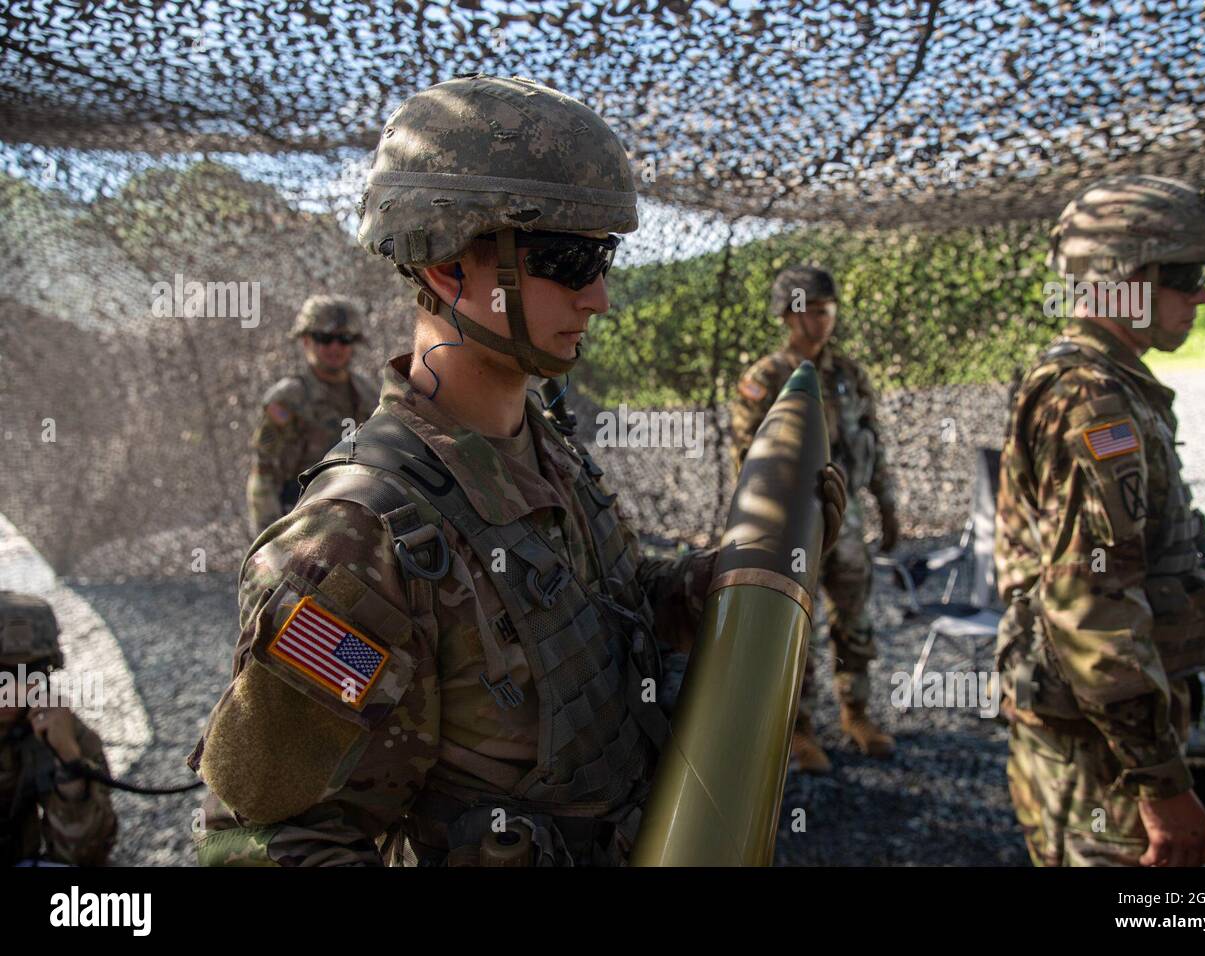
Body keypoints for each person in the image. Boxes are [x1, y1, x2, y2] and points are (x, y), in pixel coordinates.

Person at [189, 73, 846, 866]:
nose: (598, 296)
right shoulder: (357, 539)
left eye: (602, 257)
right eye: (569, 259)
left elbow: (611, 618)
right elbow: (265, 843)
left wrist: (723, 585)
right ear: (445, 267)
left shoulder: (548, 450)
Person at [994, 174, 1205, 866]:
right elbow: (1090, 606)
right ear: (1118, 280)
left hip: (1092, 740)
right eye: (1185, 274)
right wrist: (1161, 787)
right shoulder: (1092, 400)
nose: (1203, 295)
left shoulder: (1105, 382)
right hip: (1095, 755)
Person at [730, 266, 899, 771]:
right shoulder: (767, 378)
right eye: (810, 311)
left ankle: (857, 712)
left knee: (854, 618)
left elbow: (873, 440)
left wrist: (887, 504)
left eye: (828, 310)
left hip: (844, 526)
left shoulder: (848, 375)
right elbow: (746, 455)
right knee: (792, 625)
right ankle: (797, 729)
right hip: (790, 527)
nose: (822, 320)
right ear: (787, 315)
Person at [245, 294, 378, 538]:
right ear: (306, 341)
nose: (335, 347)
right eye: (324, 338)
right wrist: (270, 542)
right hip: (300, 527)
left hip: (360, 528)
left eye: (344, 339)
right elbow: (264, 478)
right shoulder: (289, 399)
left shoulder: (370, 395)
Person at [0, 591, 117, 866]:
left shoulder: (60, 731)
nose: (11, 689)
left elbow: (86, 854)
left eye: (28, 673)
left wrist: (69, 761)